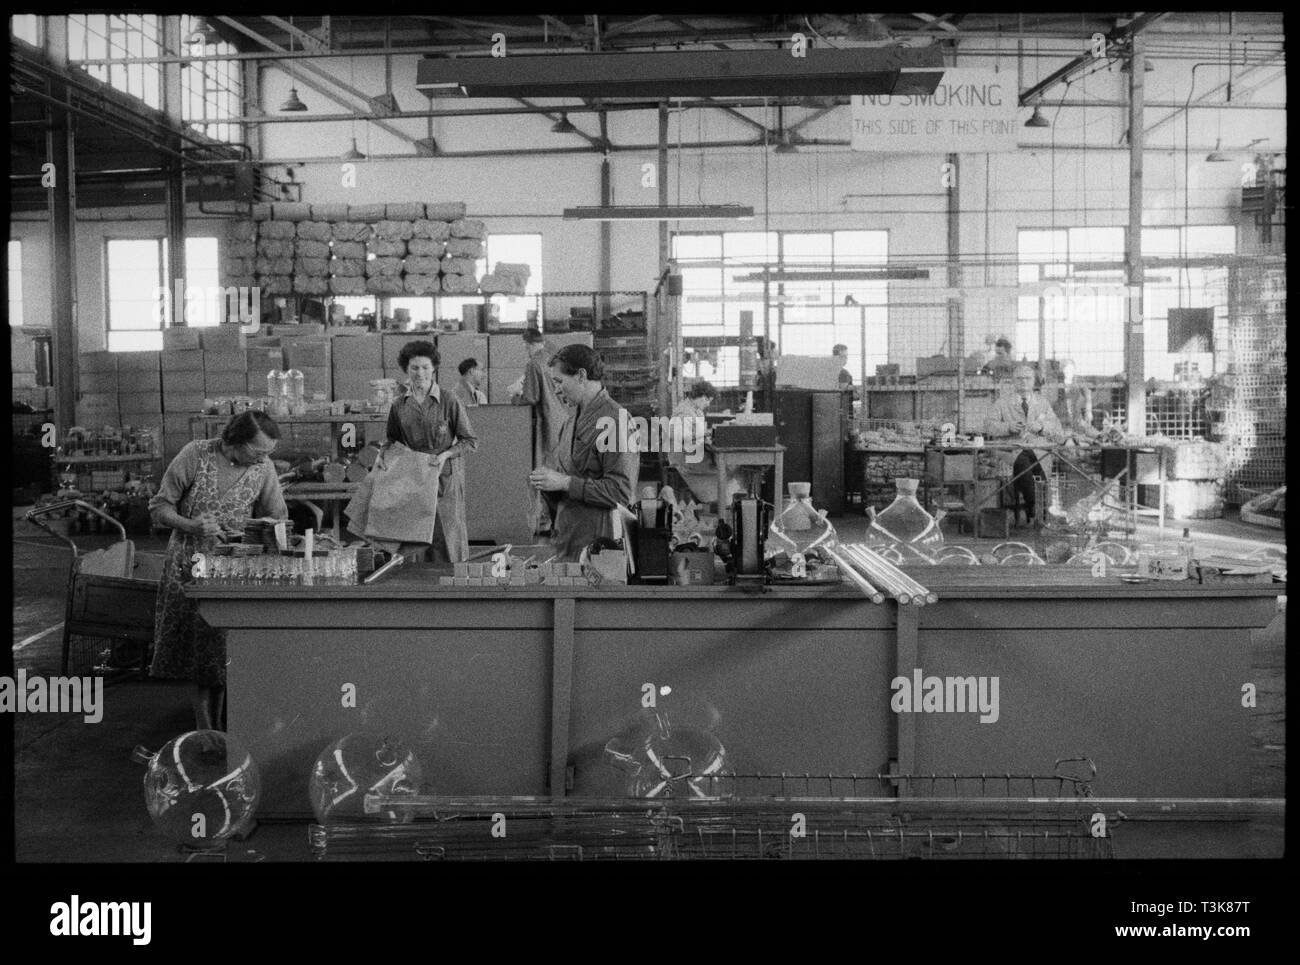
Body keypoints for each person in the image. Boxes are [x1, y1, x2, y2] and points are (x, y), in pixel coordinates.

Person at [149, 410, 288, 731]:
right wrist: (191, 525)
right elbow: (159, 507)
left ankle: (222, 725)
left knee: (224, 646)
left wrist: (261, 530)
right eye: (257, 451)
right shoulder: (195, 455)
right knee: (197, 648)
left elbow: (277, 515)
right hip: (189, 564)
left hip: (234, 568)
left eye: (269, 453)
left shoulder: (262, 468)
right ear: (233, 441)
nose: (263, 458)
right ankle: (204, 727)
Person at [528, 345, 638, 560]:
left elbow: (620, 492)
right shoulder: (570, 422)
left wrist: (565, 483)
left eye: (559, 382)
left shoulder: (615, 420)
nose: (557, 391)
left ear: (581, 375)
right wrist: (546, 484)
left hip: (600, 542)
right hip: (569, 537)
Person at [385, 340, 478, 562]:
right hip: (413, 478)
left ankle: (453, 590)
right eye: (414, 368)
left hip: (444, 478)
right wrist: (383, 456)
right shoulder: (399, 405)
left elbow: (470, 441)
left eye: (425, 367)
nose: (420, 373)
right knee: (415, 539)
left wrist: (446, 454)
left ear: (434, 368)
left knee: (447, 536)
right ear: (406, 369)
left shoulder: (449, 400)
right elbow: (392, 440)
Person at [985, 363, 1065, 526]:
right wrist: (1007, 427)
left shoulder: (1042, 403)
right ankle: (1039, 510)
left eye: (1027, 378)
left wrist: (1041, 427)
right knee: (1022, 460)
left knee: (1032, 461)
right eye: (1019, 378)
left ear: (1034, 381)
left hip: (1037, 450)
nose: (1023, 382)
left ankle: (1037, 510)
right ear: (1013, 381)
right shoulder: (1002, 403)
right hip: (1010, 450)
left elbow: (1058, 431)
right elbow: (988, 425)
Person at [513, 327, 569, 468]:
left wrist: (516, 398)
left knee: (545, 463)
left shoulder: (534, 363)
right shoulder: (554, 359)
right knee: (560, 460)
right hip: (562, 416)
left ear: (530, 344)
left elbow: (531, 398)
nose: (527, 351)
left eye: (526, 347)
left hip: (547, 419)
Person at [1051, 358, 1094, 439]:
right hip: (1061, 417)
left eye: (1071, 371)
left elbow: (1088, 394)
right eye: (1066, 371)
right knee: (1063, 438)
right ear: (1062, 371)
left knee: (1080, 436)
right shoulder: (1057, 382)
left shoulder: (1078, 380)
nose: (1068, 373)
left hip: (1076, 415)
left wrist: (1088, 411)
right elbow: (1051, 399)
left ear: (1074, 370)